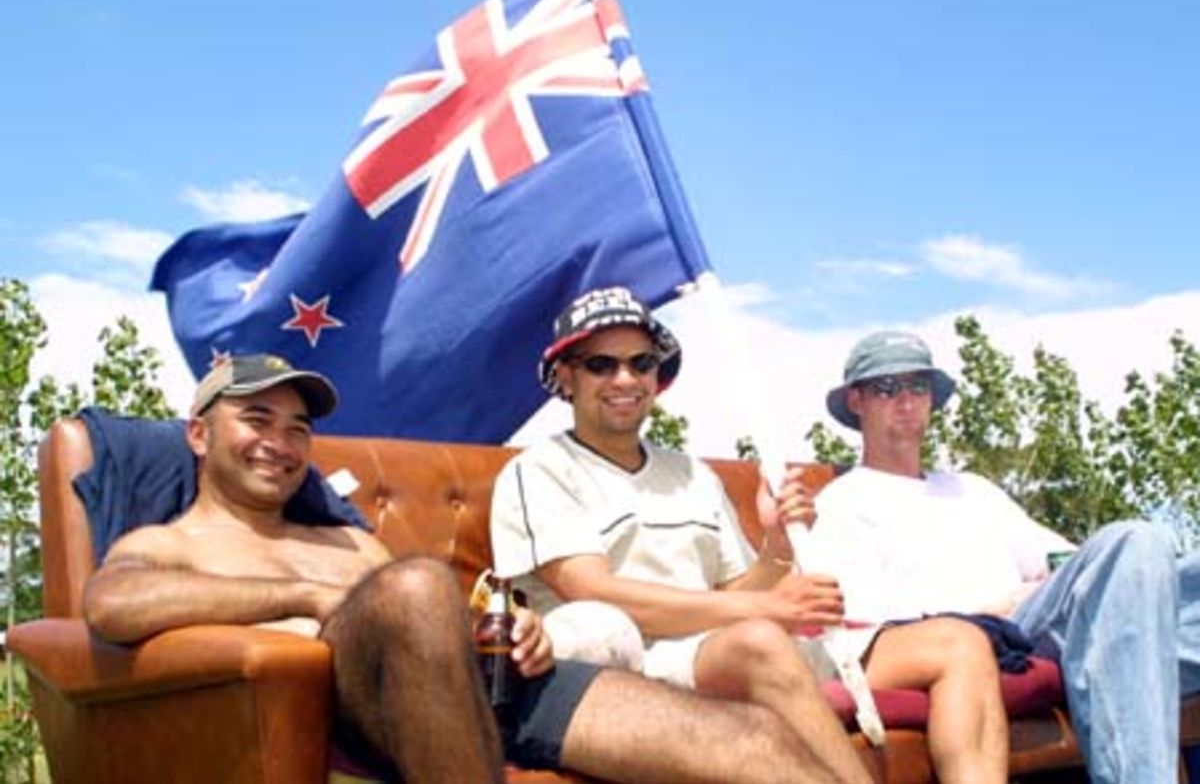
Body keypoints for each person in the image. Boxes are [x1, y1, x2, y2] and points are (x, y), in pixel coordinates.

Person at [83, 353, 869, 784]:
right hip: (363, 709)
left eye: (297, 428)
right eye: (256, 419)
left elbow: (439, 619)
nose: (280, 443)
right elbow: (111, 602)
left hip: (491, 687)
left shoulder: (344, 538)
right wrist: (301, 591)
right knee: (418, 581)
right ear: (196, 435)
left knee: (759, 743)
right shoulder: (173, 541)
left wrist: (513, 623)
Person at [491, 287, 885, 784]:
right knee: (761, 642)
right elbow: (593, 591)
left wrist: (776, 548)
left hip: (704, 652)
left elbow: (735, 592)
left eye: (642, 362)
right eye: (601, 365)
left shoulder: (691, 474)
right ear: (567, 377)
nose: (625, 379)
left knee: (946, 643)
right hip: (606, 668)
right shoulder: (539, 471)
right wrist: (770, 609)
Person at [807, 329, 1200, 784]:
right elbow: (871, 635)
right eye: (888, 388)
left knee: (1153, 573)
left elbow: (1067, 562)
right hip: (986, 636)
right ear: (857, 401)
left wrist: (1051, 587)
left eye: (919, 386)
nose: (908, 400)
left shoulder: (974, 489)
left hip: (1047, 619)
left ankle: (1115, 655)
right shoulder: (842, 502)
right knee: (1136, 539)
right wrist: (992, 609)